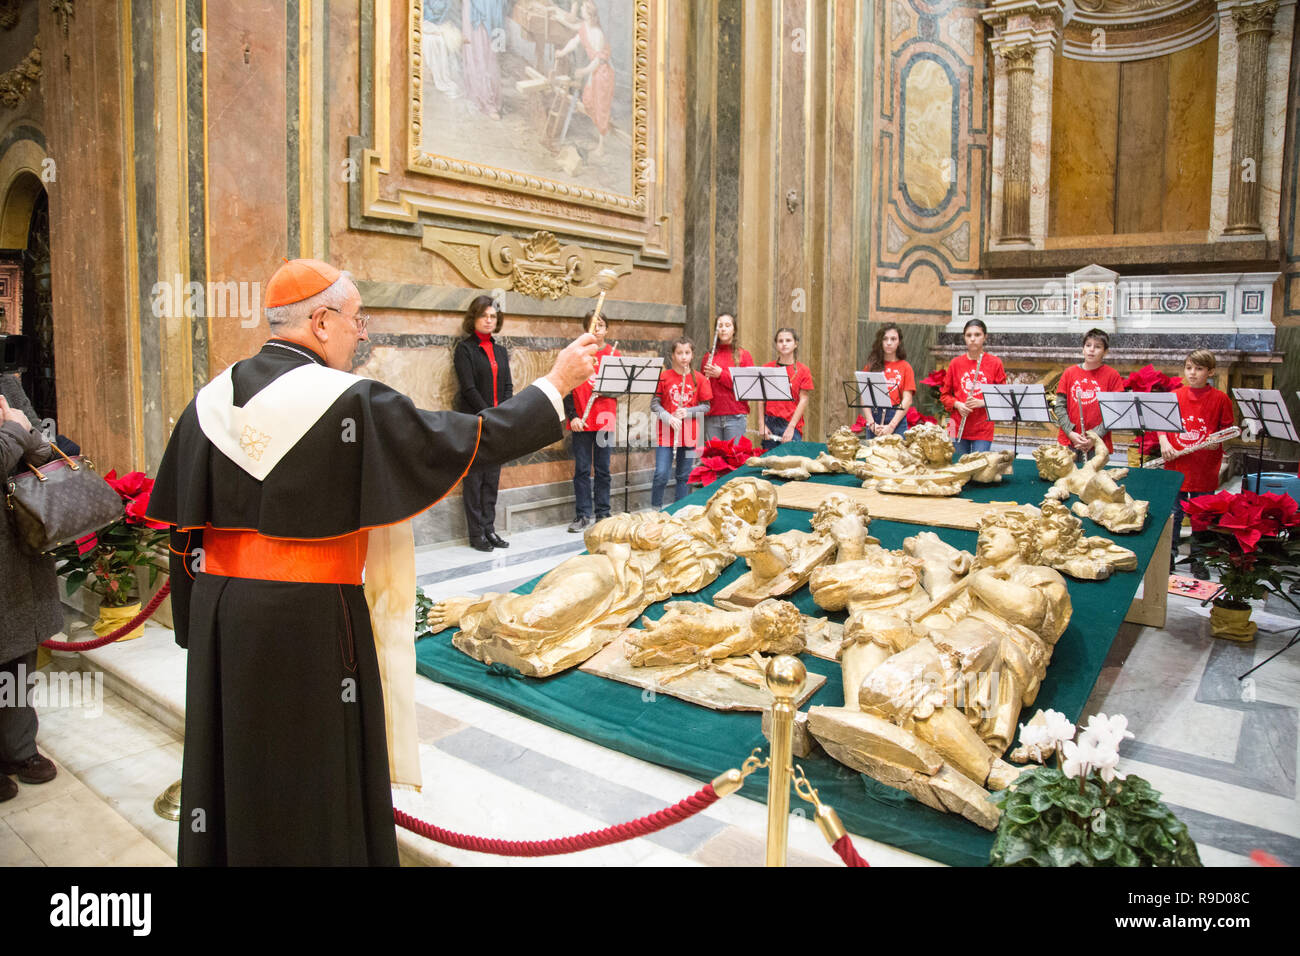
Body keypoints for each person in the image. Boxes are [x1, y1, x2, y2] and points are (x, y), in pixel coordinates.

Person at [146, 258, 597, 865]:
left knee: (239, 760)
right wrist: (556, 384)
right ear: (323, 321)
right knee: (314, 771)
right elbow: (471, 438)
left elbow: (184, 532)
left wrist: (199, 623)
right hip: (313, 619)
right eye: (357, 319)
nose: (364, 334)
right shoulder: (347, 400)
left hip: (223, 617)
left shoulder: (209, 399)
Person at [0, 377, 61, 804]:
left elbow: (43, 447)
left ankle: (19, 750)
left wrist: (21, 432)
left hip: (18, 536)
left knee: (18, 649)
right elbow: (21, 438)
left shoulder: (6, 381)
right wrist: (15, 431)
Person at [1159, 350, 1234, 578]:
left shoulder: (1220, 399)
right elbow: (1162, 425)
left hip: (1204, 467)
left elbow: (1228, 430)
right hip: (1177, 465)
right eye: (1189, 367)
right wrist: (1164, 442)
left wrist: (1218, 440)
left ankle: (1198, 560)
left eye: (1199, 369)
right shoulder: (1176, 395)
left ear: (1210, 372)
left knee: (1202, 516)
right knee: (1174, 514)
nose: (1193, 373)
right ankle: (1169, 556)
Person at [454, 295, 512, 551]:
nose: (489, 320)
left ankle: (490, 530)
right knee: (474, 481)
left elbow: (508, 385)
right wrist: (489, 414)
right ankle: (476, 534)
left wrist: (507, 412)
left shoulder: (500, 350)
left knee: (492, 480)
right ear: (474, 318)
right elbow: (468, 388)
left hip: (497, 424)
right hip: (474, 423)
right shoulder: (464, 349)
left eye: (493, 316)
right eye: (484, 316)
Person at [564, 310, 619, 533]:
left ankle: (603, 513)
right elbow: (566, 388)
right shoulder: (576, 354)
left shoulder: (614, 354)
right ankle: (583, 514)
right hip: (581, 422)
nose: (597, 329)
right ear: (586, 328)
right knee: (582, 470)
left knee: (604, 469)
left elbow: (621, 390)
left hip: (605, 421)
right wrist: (573, 416)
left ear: (607, 329)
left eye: (601, 325)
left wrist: (608, 388)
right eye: (593, 325)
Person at [651, 337, 711, 509]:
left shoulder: (699, 378)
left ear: (692, 355)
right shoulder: (664, 376)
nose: (683, 357)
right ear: (672, 355)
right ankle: (656, 509)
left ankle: (679, 509)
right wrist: (668, 417)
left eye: (687, 353)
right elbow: (654, 404)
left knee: (684, 476)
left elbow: (706, 407)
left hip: (689, 434)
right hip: (666, 433)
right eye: (679, 353)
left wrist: (688, 412)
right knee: (661, 474)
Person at [1054, 327, 1125, 459]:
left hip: (1098, 441)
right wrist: (1070, 433)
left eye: (1097, 347)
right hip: (1070, 440)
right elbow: (1059, 407)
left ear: (1105, 352)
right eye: (1088, 345)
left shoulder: (1112, 375)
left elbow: (1114, 412)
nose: (1091, 349)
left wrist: (1094, 436)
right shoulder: (1069, 373)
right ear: (1083, 349)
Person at [940, 318, 1006, 457]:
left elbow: (1003, 396)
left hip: (983, 427)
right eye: (969, 335)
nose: (973, 339)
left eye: (977, 335)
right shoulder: (955, 363)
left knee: (978, 469)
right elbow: (944, 396)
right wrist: (958, 404)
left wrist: (981, 403)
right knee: (958, 469)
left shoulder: (995, 363)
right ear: (964, 337)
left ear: (985, 337)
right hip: (956, 425)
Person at [556, 1, 615, 155]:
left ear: (588, 13)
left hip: (603, 73)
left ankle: (601, 147)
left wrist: (584, 71)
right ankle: (602, 130)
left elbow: (599, 60)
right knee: (589, 101)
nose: (580, 8)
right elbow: (575, 41)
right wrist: (562, 52)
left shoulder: (598, 34)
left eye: (582, 7)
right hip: (594, 72)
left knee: (600, 107)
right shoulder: (584, 28)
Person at [702, 312, 754, 444]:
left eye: (727, 325)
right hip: (712, 416)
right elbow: (702, 390)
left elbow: (747, 388)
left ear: (734, 329)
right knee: (715, 461)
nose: (723, 329)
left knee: (734, 460)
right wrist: (704, 382)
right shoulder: (708, 356)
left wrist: (721, 375)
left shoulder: (744, 356)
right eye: (720, 326)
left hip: (735, 416)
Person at [760, 328, 814, 450]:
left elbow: (803, 400)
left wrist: (791, 427)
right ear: (776, 345)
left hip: (791, 423)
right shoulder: (767, 368)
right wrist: (761, 424)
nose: (784, 343)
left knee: (791, 464)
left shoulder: (803, 370)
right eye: (780, 341)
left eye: (788, 340)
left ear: (795, 344)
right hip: (770, 422)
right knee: (769, 463)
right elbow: (761, 399)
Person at [862, 322, 915, 438]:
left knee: (897, 455)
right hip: (874, 416)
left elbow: (908, 399)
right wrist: (871, 423)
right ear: (880, 341)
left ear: (899, 342)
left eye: (893, 339)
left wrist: (891, 426)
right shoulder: (870, 367)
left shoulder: (906, 367)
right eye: (885, 339)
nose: (889, 343)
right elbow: (865, 398)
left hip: (896, 416)